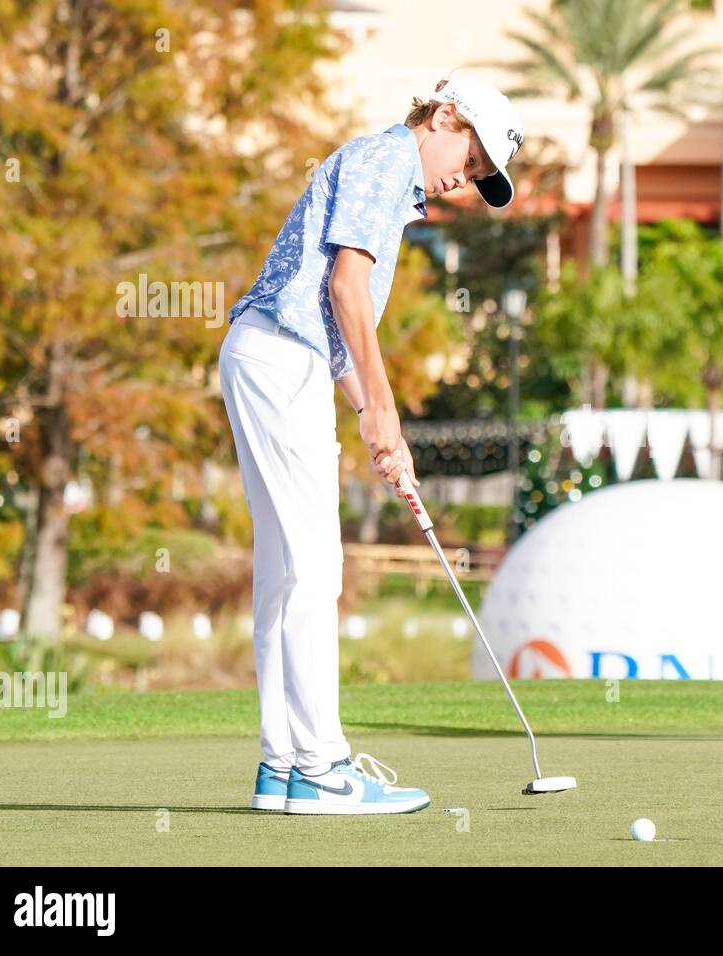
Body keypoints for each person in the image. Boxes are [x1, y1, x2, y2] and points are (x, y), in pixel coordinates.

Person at [218, 72, 524, 814]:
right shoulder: (387, 161)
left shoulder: (382, 171)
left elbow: (334, 317)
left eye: (479, 175)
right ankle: (322, 768)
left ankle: (284, 764)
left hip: (274, 356)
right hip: (281, 359)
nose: (463, 179)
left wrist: (373, 420)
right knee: (314, 566)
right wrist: (384, 405)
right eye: (471, 158)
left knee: (286, 571)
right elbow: (346, 290)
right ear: (446, 115)